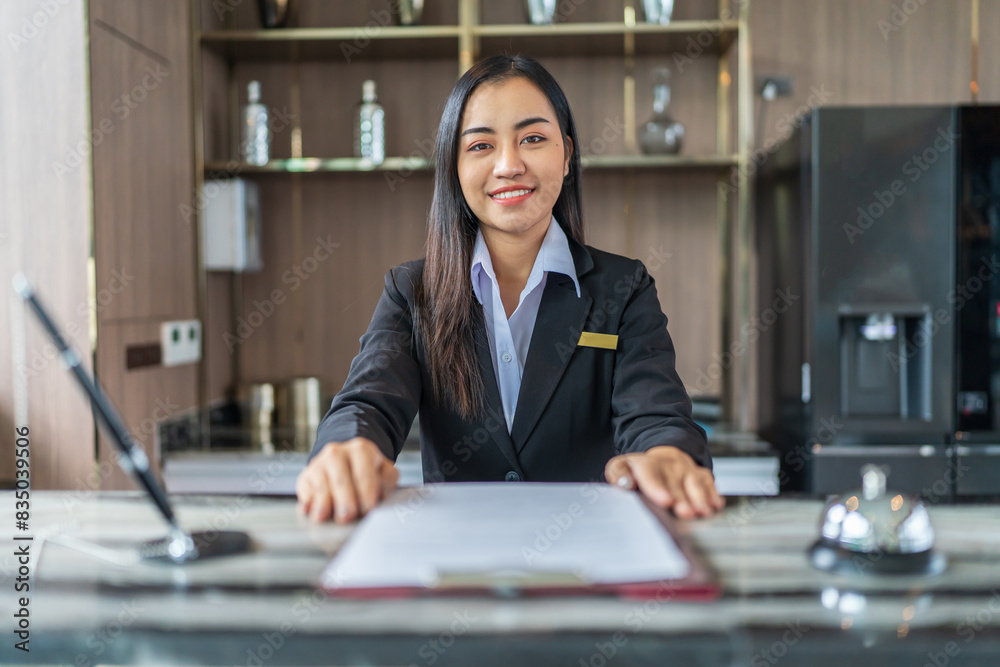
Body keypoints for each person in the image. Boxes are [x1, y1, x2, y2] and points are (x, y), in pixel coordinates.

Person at [296, 54, 723, 524]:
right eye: (481, 145)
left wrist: (668, 455)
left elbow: (657, 416)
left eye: (533, 139)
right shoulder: (411, 292)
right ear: (454, 166)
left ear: (567, 154)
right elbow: (368, 403)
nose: (508, 165)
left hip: (587, 549)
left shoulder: (624, 288)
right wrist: (346, 447)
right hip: (457, 555)